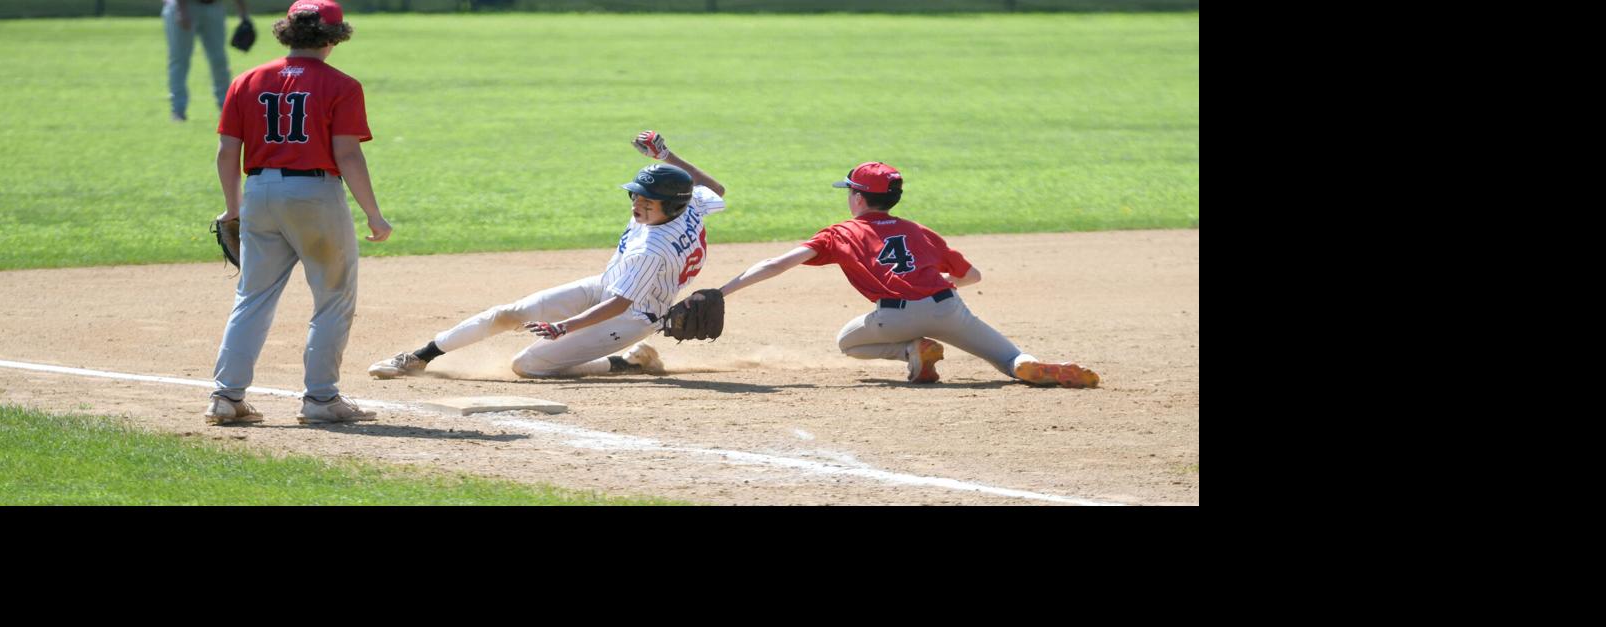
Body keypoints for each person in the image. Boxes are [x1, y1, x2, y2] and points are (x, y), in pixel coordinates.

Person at [366, 131, 724, 381]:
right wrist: (665, 157)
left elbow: (618, 306)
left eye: (647, 200)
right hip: (609, 285)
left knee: (528, 365)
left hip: (631, 315)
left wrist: (564, 326)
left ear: (672, 204)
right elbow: (715, 188)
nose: (637, 204)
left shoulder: (653, 249)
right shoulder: (690, 203)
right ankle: (420, 356)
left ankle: (626, 362)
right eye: (635, 196)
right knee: (511, 313)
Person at [709, 161, 1100, 388]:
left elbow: (776, 264)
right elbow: (973, 276)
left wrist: (722, 291)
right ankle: (1028, 367)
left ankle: (910, 351)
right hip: (948, 307)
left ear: (858, 198)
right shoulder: (916, 230)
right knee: (1009, 356)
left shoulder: (841, 232)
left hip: (894, 316)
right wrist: (948, 286)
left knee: (848, 342)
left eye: (849, 191)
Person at [205, 0, 392, 426]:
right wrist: (373, 214)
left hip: (259, 192)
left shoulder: (247, 80)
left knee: (252, 298)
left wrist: (234, 207)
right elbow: (346, 153)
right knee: (333, 298)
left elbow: (226, 152)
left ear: (288, 32)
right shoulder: (341, 85)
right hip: (315, 196)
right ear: (333, 37)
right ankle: (321, 401)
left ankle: (226, 397)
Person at [164, 0, 251, 123]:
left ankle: (227, 109)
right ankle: (178, 110)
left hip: (213, 6)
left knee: (219, 60)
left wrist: (243, 14)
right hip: (184, 6)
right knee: (179, 60)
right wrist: (181, 10)